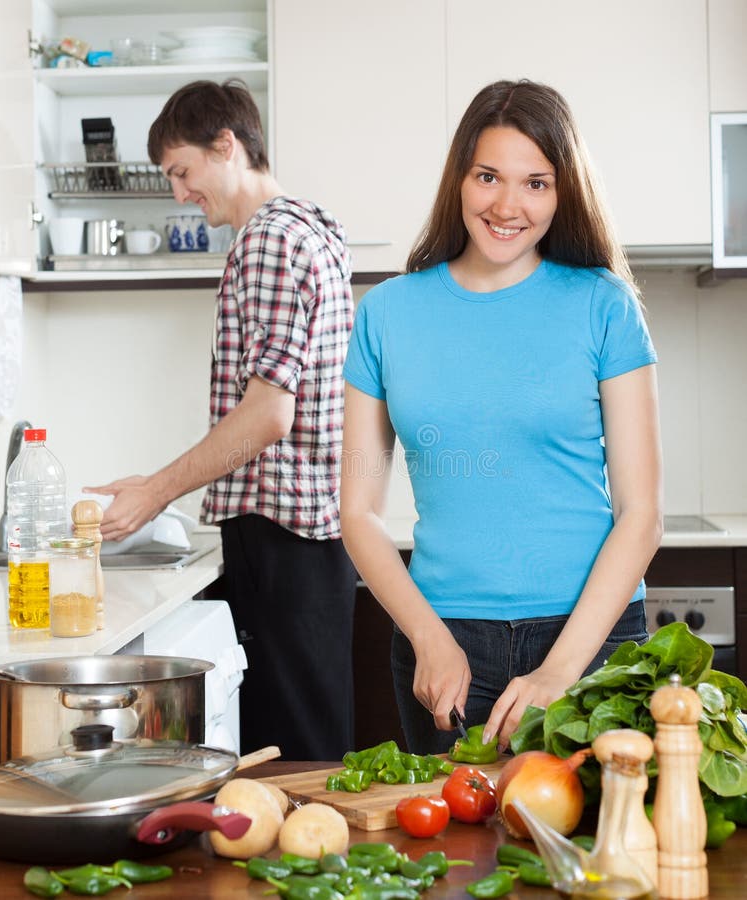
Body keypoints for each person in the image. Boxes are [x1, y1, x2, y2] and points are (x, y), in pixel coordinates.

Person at [340, 79, 663, 755]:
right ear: (459, 178)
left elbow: (641, 515)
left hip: (590, 638)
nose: (507, 205)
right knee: (456, 857)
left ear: (560, 192)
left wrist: (558, 671)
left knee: (596, 856)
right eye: (488, 176)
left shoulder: (603, 305)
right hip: (444, 644)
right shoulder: (386, 314)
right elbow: (359, 510)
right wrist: (427, 637)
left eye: (535, 183)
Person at [86, 79, 357, 761]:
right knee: (314, 743)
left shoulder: (265, 242)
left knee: (288, 754)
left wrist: (154, 492)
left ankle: (300, 865)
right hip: (317, 533)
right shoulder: (311, 227)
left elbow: (267, 414)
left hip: (281, 537)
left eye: (181, 171)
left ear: (227, 145)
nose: (179, 193)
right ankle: (322, 865)